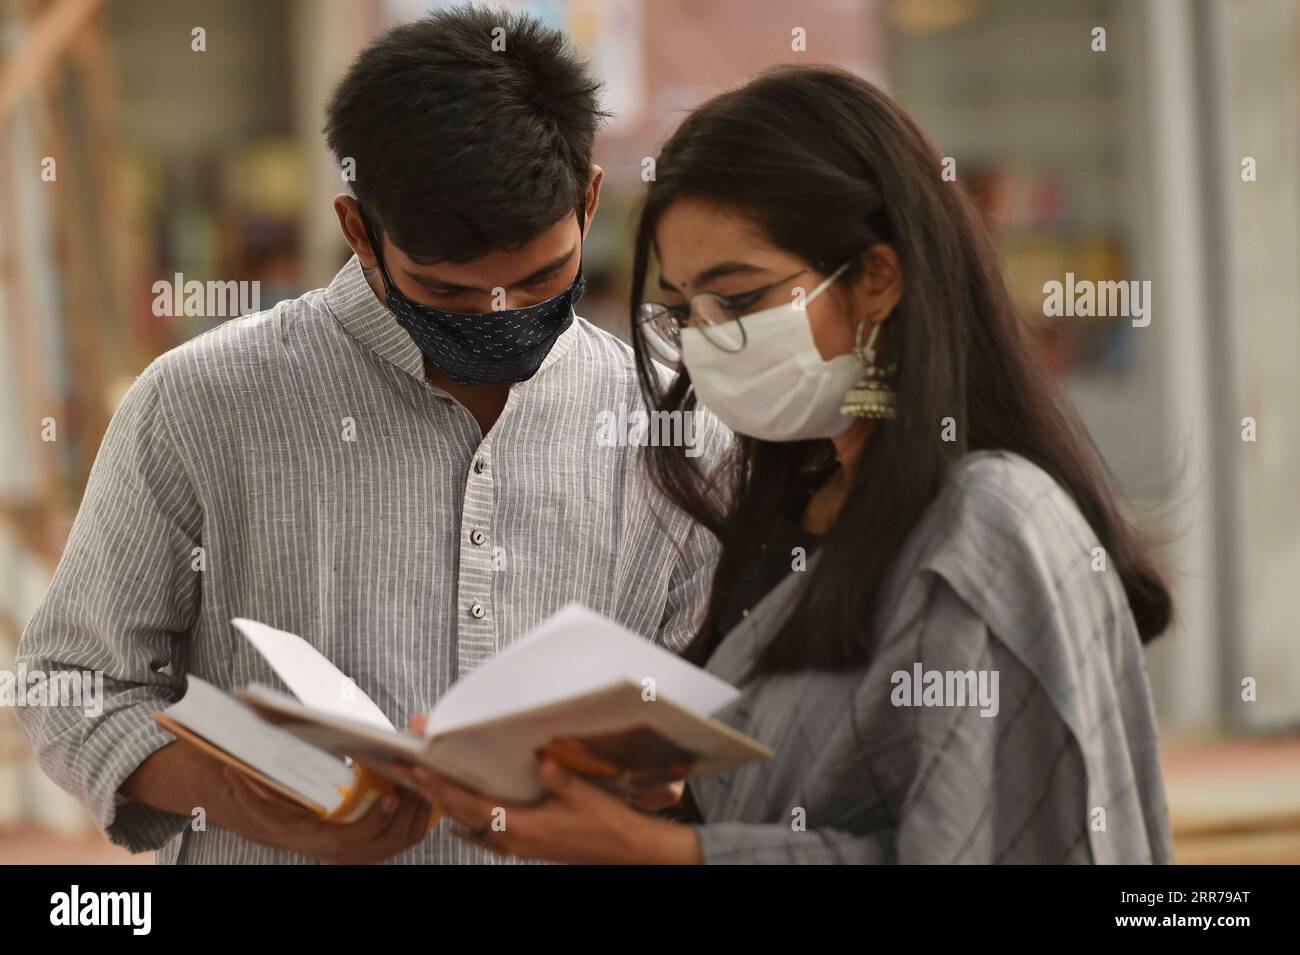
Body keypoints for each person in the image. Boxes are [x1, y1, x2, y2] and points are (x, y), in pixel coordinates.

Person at [385, 65, 1176, 864]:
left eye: (741, 299)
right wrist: (662, 781)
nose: (705, 341)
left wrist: (660, 851)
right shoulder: (804, 502)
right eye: (686, 309)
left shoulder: (992, 522)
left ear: (876, 280)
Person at [16, 7, 719, 864]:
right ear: (359, 232)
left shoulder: (673, 423)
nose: (500, 318)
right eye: (451, 294)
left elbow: (718, 717)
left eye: (541, 278)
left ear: (590, 201)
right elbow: (71, 682)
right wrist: (230, 788)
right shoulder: (202, 405)